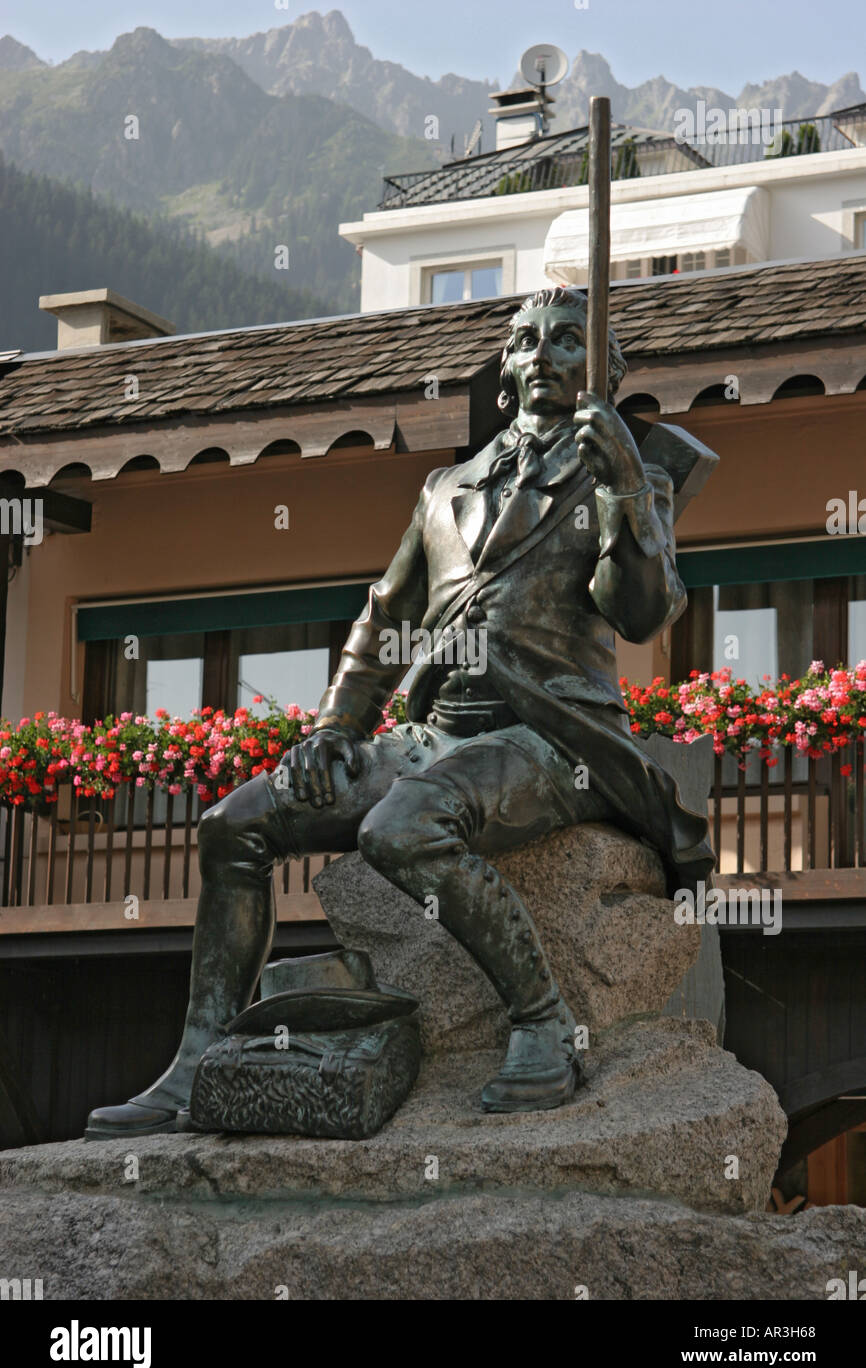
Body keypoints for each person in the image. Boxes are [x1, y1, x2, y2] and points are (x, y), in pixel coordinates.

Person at [85, 286, 714, 1138]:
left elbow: (641, 612)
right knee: (234, 824)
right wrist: (339, 727)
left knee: (401, 828)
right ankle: (197, 1060)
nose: (539, 358)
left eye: (567, 342)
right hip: (435, 731)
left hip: (554, 736)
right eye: (524, 343)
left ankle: (541, 1024)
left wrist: (627, 490)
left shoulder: (629, 477)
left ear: (606, 369)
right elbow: (385, 617)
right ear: (505, 370)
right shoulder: (444, 488)